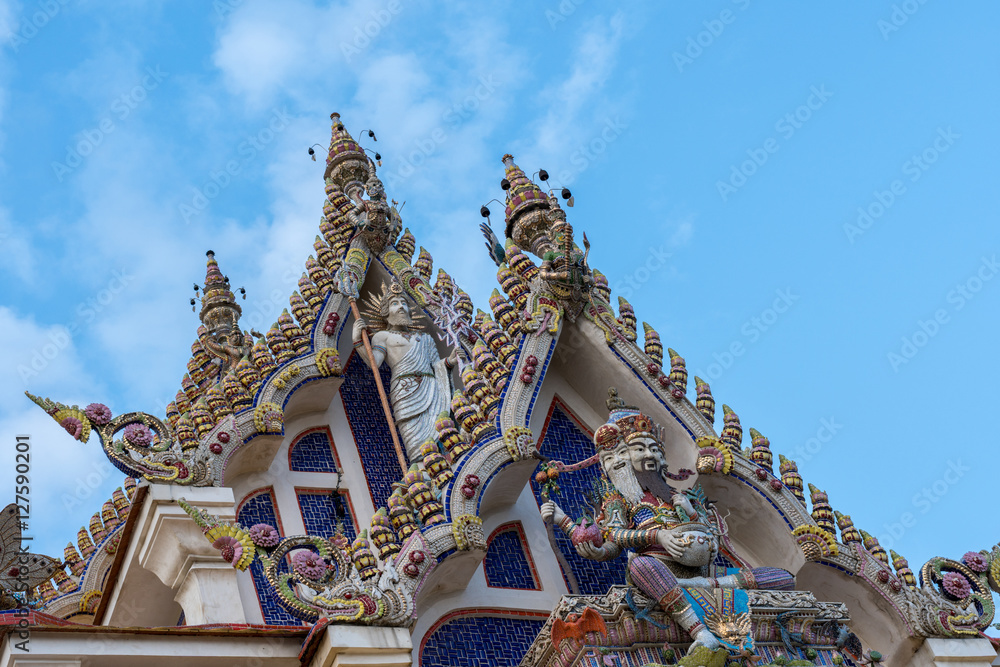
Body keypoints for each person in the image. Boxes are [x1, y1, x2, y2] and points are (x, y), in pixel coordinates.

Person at [540, 395, 795, 654]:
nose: (649, 455)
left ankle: (698, 587)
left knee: (783, 579)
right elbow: (613, 536)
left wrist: (691, 514)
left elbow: (713, 538)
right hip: (659, 569)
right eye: (640, 449)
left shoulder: (677, 497)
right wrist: (656, 537)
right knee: (640, 566)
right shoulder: (623, 500)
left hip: (705, 574)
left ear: (664, 459)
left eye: (655, 450)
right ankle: (701, 632)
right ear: (626, 459)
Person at [352, 278, 458, 461]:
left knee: (442, 427)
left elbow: (436, 367)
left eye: (404, 303)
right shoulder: (382, 336)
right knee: (415, 439)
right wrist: (357, 341)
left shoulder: (424, 338)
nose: (401, 307)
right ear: (385, 312)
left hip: (432, 389)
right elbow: (374, 363)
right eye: (394, 303)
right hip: (405, 392)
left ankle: (447, 459)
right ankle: (423, 468)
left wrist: (449, 361)